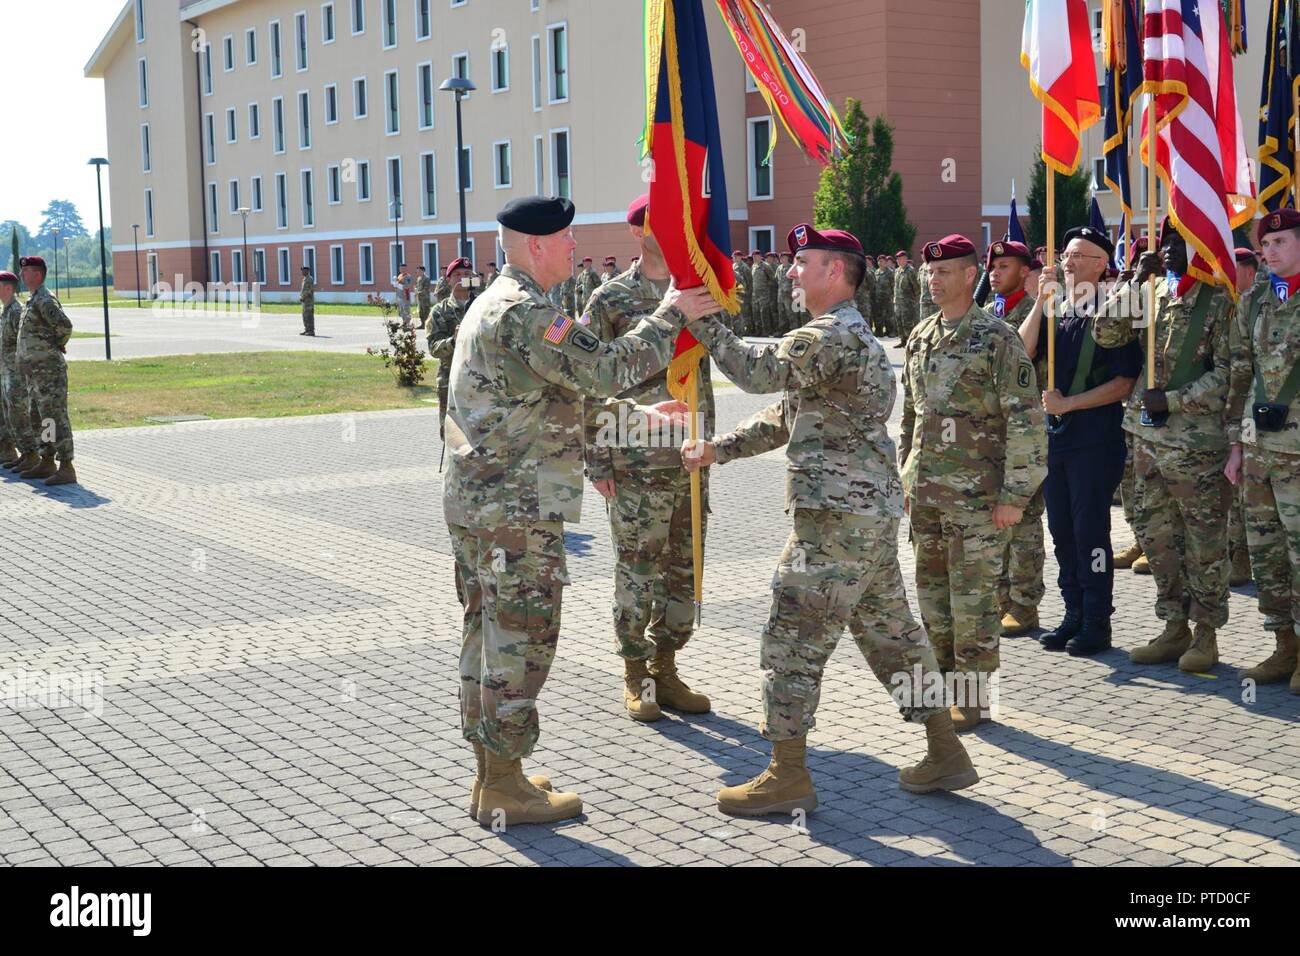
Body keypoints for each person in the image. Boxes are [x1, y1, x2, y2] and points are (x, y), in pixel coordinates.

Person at [682, 223, 978, 816]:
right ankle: (945, 751)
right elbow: (785, 411)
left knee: (790, 638)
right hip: (861, 517)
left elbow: (756, 371)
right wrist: (720, 448)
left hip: (838, 523)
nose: (791, 271)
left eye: (804, 262)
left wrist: (699, 319)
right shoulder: (840, 337)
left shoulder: (832, 333)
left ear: (836, 273)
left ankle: (786, 774)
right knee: (893, 637)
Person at [444, 195, 718, 825]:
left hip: (487, 502)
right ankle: (506, 784)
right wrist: (671, 311)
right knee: (522, 638)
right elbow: (605, 368)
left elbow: (554, 400)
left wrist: (641, 418)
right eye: (565, 239)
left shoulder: (501, 302)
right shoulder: (527, 313)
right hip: (513, 508)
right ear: (535, 246)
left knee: (489, 633)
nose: (574, 247)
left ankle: (494, 772)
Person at [900, 235, 1047, 730]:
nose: (933, 280)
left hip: (979, 500)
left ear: (969, 277)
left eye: (944, 272)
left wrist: (1015, 496)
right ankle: (945, 687)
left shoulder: (997, 338)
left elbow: (1026, 420)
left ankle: (975, 697)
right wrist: (905, 477)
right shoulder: (921, 336)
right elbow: (911, 420)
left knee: (975, 604)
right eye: (929, 272)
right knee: (933, 600)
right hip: (928, 496)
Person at [583, 194, 715, 721]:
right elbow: (588, 381)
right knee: (638, 569)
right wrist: (598, 461)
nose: (678, 229)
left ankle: (667, 666)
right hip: (635, 460)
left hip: (688, 457)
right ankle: (635, 673)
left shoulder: (698, 292)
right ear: (638, 231)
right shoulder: (611, 299)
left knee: (685, 570)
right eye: (664, 222)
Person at [1093, 219, 1233, 672]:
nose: (1172, 250)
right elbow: (1105, 333)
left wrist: (1174, 399)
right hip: (1145, 440)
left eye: (1183, 242)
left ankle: (1206, 636)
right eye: (1168, 241)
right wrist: (1133, 283)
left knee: (1202, 542)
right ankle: (1173, 626)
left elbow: (1229, 373)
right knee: (1157, 538)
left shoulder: (1218, 302)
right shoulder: (1150, 294)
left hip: (1195, 444)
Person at [1019, 226, 1141, 655]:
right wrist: (1040, 300)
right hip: (1056, 440)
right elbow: (1021, 349)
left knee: (1091, 533)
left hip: (1094, 438)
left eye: (1080, 255)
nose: (1068, 261)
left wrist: (1070, 404)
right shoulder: (1057, 307)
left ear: (1101, 264)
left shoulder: (1114, 310)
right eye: (1066, 254)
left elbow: (1125, 383)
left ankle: (1096, 619)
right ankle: (1071, 612)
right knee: (1062, 531)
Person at [1225, 210, 1300, 693]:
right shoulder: (1254, 301)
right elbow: (1240, 375)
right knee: (1267, 553)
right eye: (1266, 242)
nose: (1270, 251)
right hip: (1257, 451)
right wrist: (1235, 444)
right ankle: (1284, 646)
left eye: (1280, 242)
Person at [985, 240, 1045, 635]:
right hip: (991, 431)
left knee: (1022, 521)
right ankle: (1000, 599)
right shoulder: (990, 312)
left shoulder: (1036, 311)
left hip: (1024, 429)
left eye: (1003, 267)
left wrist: (1041, 301)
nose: (994, 273)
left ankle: (1025, 605)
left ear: (1025, 271)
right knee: (995, 521)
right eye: (992, 267)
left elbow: (1023, 350)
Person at [15, 256, 76, 485]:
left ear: (38, 275)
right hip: (35, 373)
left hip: (49, 372)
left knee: (55, 417)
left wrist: (56, 345)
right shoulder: (32, 300)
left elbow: (65, 326)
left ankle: (67, 466)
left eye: (26, 271)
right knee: (42, 418)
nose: (22, 275)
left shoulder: (45, 300)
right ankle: (47, 459)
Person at [1227, 247, 1262, 587]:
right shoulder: (1232, 304)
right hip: (1236, 410)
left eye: (1231, 268)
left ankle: (1242, 561)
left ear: (1249, 271)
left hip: (1259, 412)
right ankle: (1236, 559)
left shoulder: (1258, 302)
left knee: (1245, 495)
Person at [426, 257, 475, 439]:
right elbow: (434, 348)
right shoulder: (440, 311)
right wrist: (453, 341)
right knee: (452, 434)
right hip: (451, 381)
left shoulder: (483, 306)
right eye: (457, 275)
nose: (462, 278)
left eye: (467, 274)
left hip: (482, 382)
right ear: (449, 280)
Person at [0, 271, 28, 467]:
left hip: (15, 372)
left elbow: (23, 342)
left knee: (18, 411)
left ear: (8, 287)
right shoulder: (6, 310)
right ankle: (8, 449)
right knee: (6, 411)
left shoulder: (16, 311)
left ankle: (29, 452)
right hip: (5, 370)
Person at [893, 250, 921, 346]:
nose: (898, 261)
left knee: (907, 322)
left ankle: (910, 341)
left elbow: (916, 287)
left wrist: (914, 301)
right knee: (899, 321)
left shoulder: (911, 271)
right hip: (897, 301)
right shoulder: (897, 271)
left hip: (908, 302)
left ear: (905, 259)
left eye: (900, 259)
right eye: (897, 259)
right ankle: (902, 340)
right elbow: (895, 286)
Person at [732, 250, 752, 336]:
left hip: (743, 294)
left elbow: (749, 282)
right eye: (733, 257)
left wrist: (747, 293)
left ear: (740, 257)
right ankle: (739, 330)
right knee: (737, 313)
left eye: (735, 257)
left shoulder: (745, 268)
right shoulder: (733, 266)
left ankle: (747, 329)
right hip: (735, 294)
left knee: (744, 313)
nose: (734, 258)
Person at [299, 265, 315, 336]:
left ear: (307, 271)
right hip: (304, 301)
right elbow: (303, 290)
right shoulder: (305, 279)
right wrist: (301, 297)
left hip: (308, 301)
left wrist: (303, 297)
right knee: (305, 316)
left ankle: (311, 331)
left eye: (303, 270)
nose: (302, 272)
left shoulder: (309, 279)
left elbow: (310, 290)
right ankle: (307, 330)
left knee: (309, 316)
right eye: (302, 270)